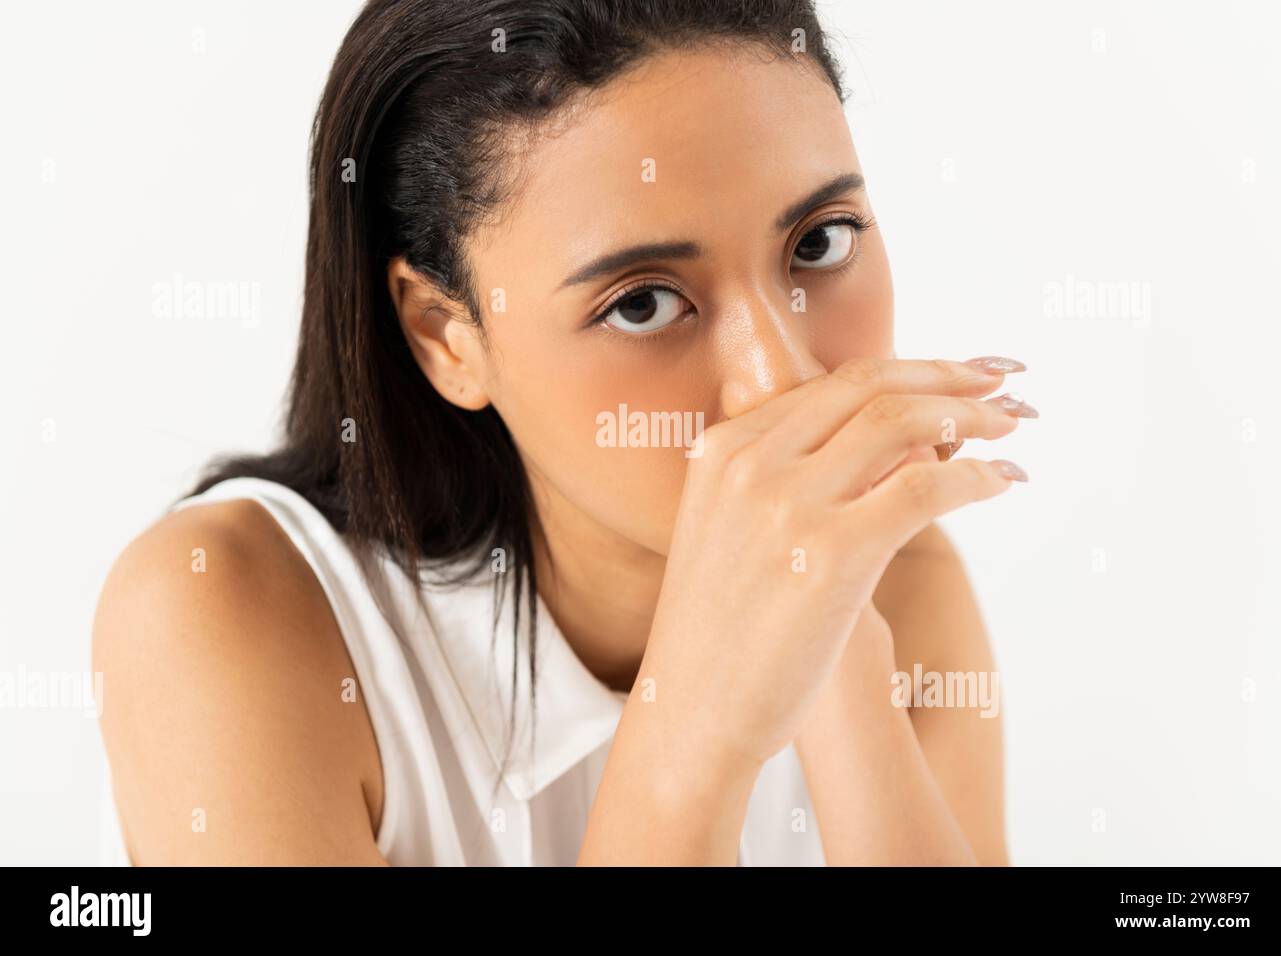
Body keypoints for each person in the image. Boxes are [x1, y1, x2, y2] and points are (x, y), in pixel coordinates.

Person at [93, 0, 1035, 866]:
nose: (781, 380)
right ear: (447, 338)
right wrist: (692, 735)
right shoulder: (222, 612)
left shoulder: (906, 588)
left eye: (820, 242)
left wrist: (843, 673)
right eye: (644, 304)